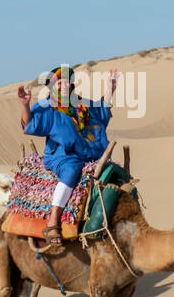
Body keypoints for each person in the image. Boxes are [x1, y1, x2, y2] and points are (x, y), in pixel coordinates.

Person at [17, 65, 119, 253]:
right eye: (59, 82)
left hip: (87, 155)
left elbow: (101, 114)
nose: (64, 85)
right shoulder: (46, 107)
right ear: (52, 86)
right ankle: (53, 221)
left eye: (67, 81)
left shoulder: (80, 104)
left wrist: (110, 90)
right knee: (72, 170)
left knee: (114, 173)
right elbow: (30, 125)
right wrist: (25, 105)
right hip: (61, 157)